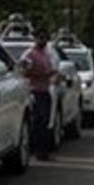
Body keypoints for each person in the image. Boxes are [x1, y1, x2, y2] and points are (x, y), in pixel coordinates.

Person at [21, 30, 58, 161]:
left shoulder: (46, 54)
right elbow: (23, 71)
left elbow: (50, 68)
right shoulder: (29, 54)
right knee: (38, 122)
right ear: (35, 39)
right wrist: (42, 74)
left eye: (45, 39)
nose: (43, 41)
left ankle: (44, 151)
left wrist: (52, 74)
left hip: (45, 90)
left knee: (45, 122)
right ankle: (37, 150)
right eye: (40, 38)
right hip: (34, 91)